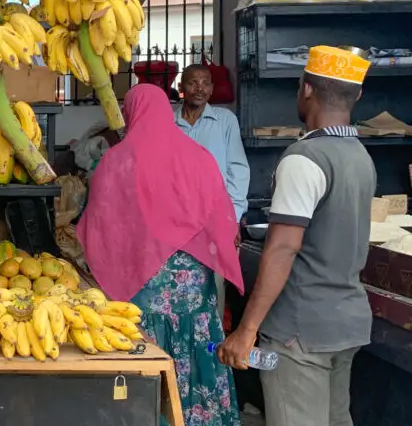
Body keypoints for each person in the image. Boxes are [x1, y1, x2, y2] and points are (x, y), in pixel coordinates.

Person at [218, 46, 375, 426]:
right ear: (357, 95)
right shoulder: (360, 156)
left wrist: (246, 331)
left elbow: (284, 247)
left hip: (299, 334)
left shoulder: (305, 159)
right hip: (346, 323)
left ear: (306, 89)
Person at [77, 84, 244, 426]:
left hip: (142, 286)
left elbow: (99, 224)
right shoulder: (198, 157)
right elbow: (222, 220)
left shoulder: (116, 161)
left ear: (132, 113)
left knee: (146, 356)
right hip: (193, 287)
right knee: (195, 350)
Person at [175, 64, 250, 313]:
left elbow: (237, 171)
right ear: (181, 87)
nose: (200, 88)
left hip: (214, 217)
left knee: (213, 287)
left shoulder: (225, 121)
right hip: (175, 218)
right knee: (177, 285)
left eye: (205, 83)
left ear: (212, 88)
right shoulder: (167, 122)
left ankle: (211, 345)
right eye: (193, 82)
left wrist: (233, 218)